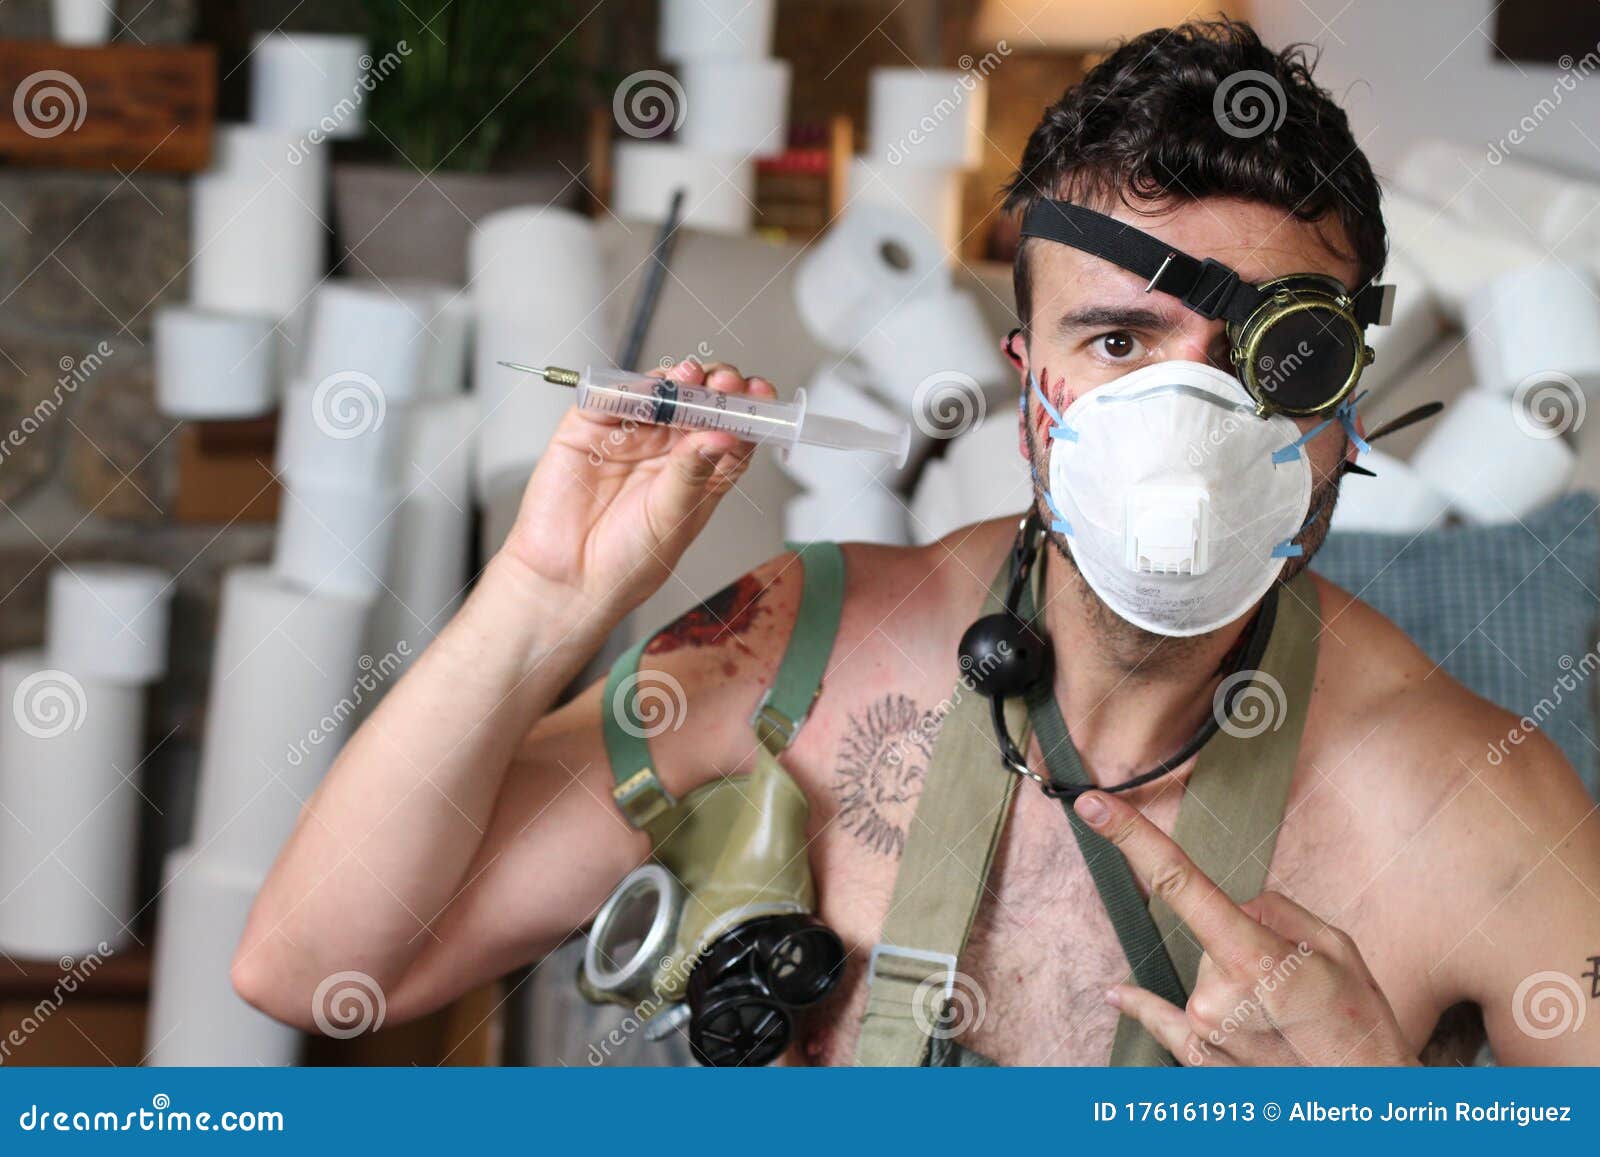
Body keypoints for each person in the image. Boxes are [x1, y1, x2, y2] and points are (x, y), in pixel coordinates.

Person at [233, 20, 1600, 1066]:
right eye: (1118, 343)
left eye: (1277, 352)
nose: (1190, 424)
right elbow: (317, 968)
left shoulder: (1471, 808)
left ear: (1344, 404)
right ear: (1027, 389)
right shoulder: (800, 654)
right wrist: (541, 596)